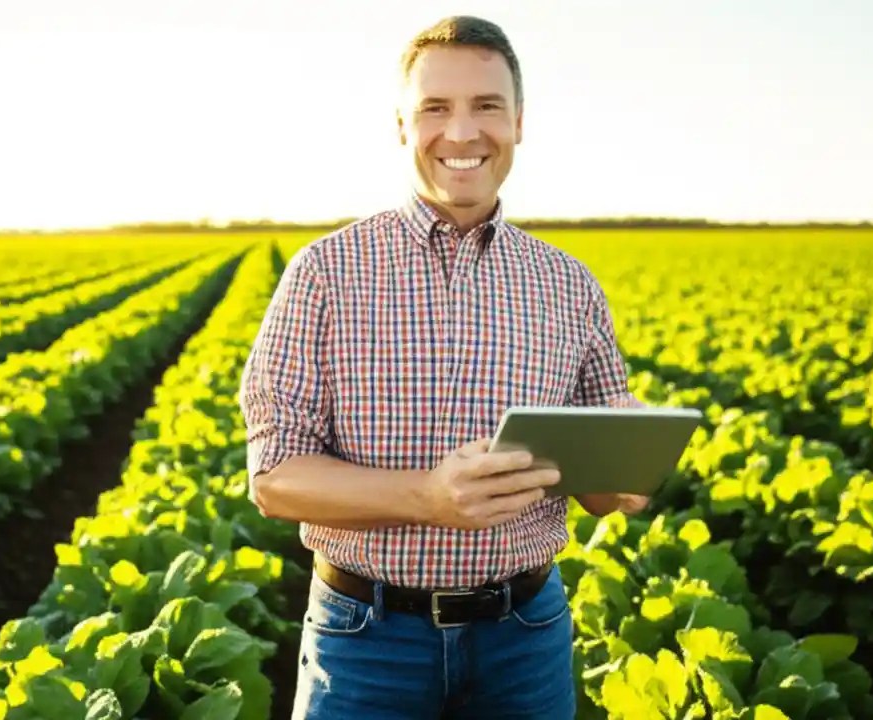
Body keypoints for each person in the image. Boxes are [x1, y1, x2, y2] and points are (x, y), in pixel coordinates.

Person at [238, 15, 649, 719]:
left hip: (528, 636)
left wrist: (630, 470)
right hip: (365, 640)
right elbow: (275, 480)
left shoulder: (568, 283)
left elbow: (608, 495)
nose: (461, 133)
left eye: (486, 106)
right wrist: (426, 497)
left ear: (518, 122)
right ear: (401, 125)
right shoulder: (325, 274)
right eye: (435, 108)